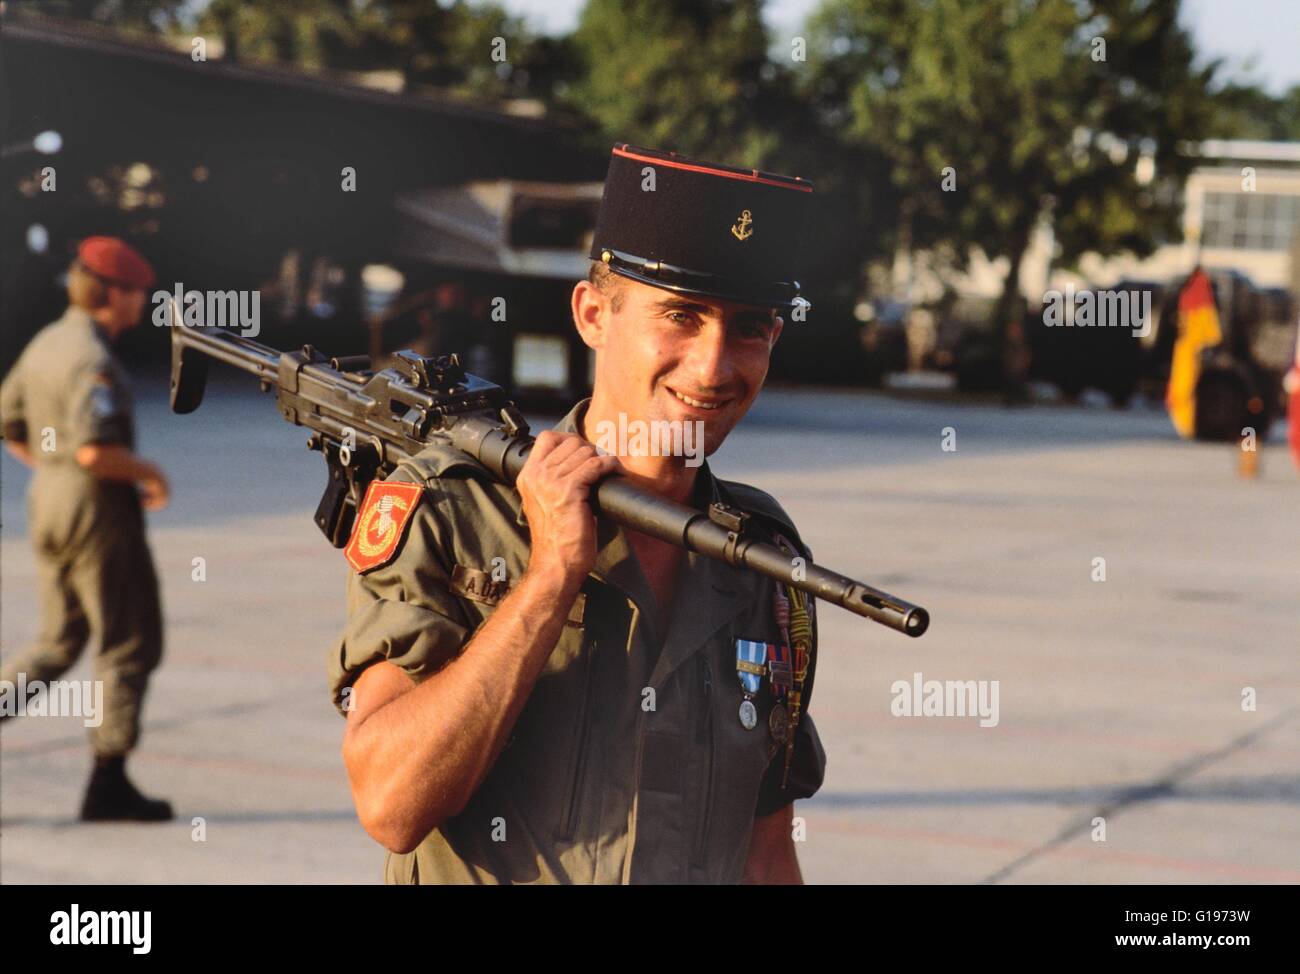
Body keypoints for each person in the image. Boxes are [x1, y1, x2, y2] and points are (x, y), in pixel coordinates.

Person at [331, 144, 825, 883]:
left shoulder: (762, 561)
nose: (714, 366)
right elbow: (392, 803)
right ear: (594, 313)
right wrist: (551, 574)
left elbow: (764, 850)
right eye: (682, 315)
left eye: (749, 327)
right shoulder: (455, 510)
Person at [0, 236, 172, 822]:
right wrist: (150, 474)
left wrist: (52, 472)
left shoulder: (47, 342)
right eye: (137, 293)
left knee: (56, 641)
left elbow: (10, 423)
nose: (143, 303)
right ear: (111, 294)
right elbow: (97, 453)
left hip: (47, 498)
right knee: (128, 642)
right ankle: (109, 784)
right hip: (96, 506)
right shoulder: (92, 360)